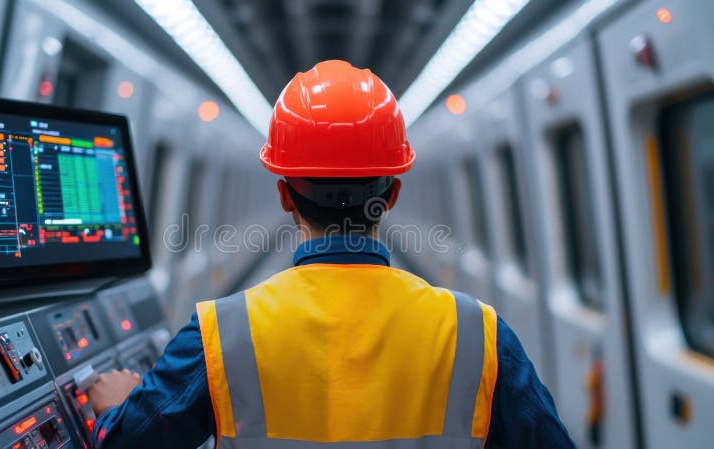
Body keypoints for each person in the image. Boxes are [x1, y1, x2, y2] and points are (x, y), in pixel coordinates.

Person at [89, 60, 576, 449]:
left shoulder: (220, 333)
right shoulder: (479, 335)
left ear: (284, 195)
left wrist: (115, 408)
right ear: (392, 196)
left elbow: (124, 442)